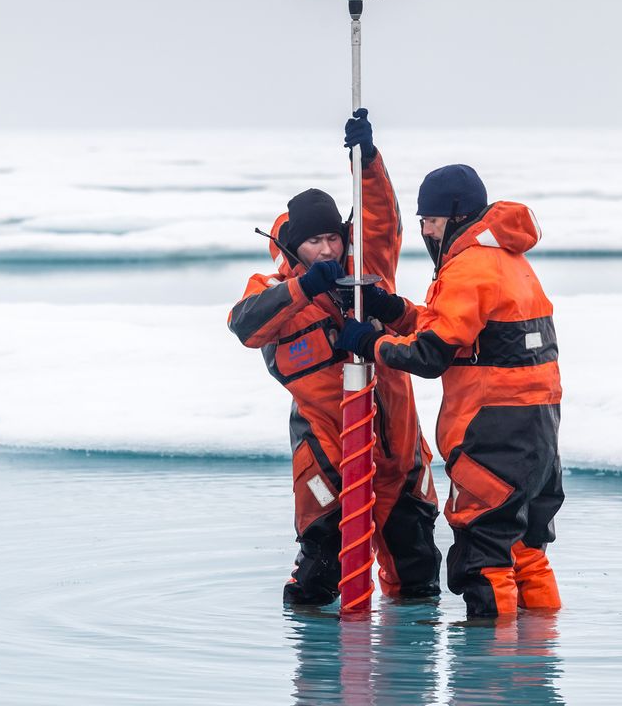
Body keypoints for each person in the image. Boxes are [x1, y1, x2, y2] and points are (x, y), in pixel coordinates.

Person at [228, 109, 441, 606]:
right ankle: (317, 651)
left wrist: (366, 161)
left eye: (332, 238)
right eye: (314, 241)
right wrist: (305, 287)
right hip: (326, 451)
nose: (326, 249)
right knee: (317, 576)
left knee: (418, 575)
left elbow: (381, 218)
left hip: (397, 448)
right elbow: (245, 326)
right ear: (294, 247)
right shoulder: (273, 291)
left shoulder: (369, 271)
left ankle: (409, 652)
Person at [334, 163, 564, 619]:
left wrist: (369, 342)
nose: (425, 230)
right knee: (525, 552)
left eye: (431, 220)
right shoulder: (509, 261)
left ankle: (491, 661)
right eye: (421, 220)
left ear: (456, 216)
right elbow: (460, 332)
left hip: (492, 432)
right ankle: (540, 648)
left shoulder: (468, 268)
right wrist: (394, 310)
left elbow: (430, 354)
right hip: (537, 431)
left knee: (484, 557)